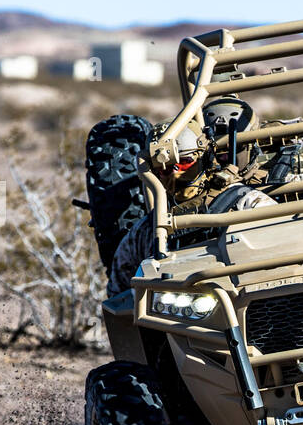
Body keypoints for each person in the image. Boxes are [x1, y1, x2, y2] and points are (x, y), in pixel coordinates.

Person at [107, 115, 274, 295]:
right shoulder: (146, 230)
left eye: (185, 162)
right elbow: (120, 293)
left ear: (205, 157)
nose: (175, 174)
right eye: (165, 169)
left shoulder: (247, 202)